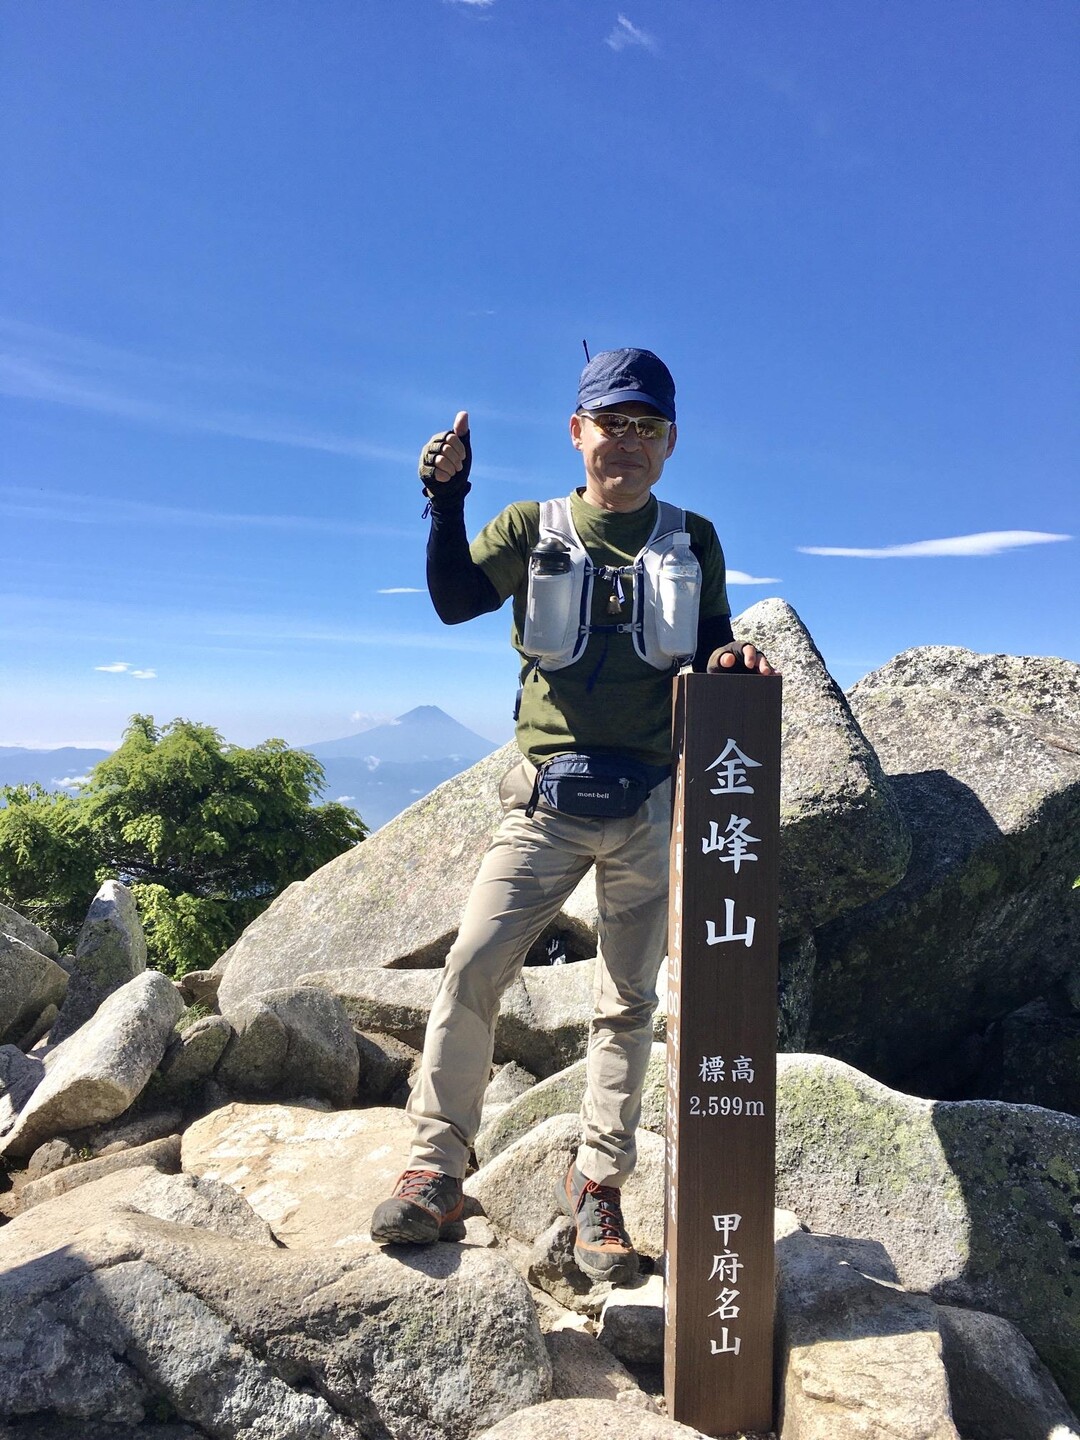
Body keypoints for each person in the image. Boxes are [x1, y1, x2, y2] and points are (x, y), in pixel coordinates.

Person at [370, 348, 773, 1283]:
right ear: (577, 431)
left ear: (669, 442)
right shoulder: (531, 526)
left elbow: (710, 649)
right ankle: (436, 1168)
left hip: (648, 805)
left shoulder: (694, 538)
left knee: (627, 1003)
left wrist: (734, 661)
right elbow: (453, 601)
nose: (626, 441)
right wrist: (446, 500)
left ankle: (598, 1185)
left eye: (646, 425)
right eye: (610, 422)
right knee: (472, 967)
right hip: (544, 801)